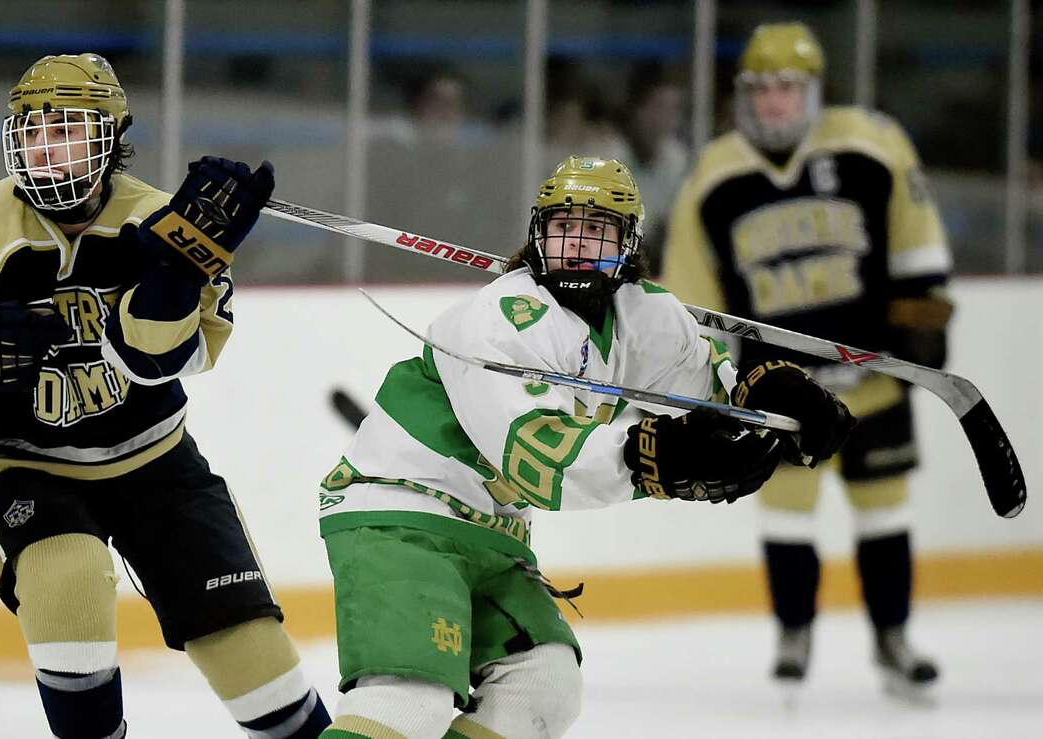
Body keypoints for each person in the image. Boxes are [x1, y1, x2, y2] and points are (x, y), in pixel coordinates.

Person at [0, 53, 331, 738]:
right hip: (23, 465)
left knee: (255, 661)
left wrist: (178, 269)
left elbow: (158, 357)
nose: (46, 151)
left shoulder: (160, 221)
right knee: (69, 576)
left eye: (67, 131)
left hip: (158, 466)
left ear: (111, 138)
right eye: (33, 133)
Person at [314, 156, 854, 738]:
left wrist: (775, 403)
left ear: (628, 244)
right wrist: (655, 459)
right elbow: (532, 457)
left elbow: (707, 390)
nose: (576, 246)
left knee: (540, 689)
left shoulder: (643, 314)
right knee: (408, 702)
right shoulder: (504, 315)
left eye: (596, 232)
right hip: (403, 515)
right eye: (562, 228)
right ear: (536, 235)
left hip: (492, 536)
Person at [662, 23, 952, 695]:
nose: (774, 104)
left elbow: (918, 247)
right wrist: (707, 380)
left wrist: (923, 329)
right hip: (781, 395)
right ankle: (794, 632)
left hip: (873, 382)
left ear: (814, 90)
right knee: (786, 512)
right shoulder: (716, 174)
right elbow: (690, 304)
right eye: (760, 90)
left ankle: (893, 638)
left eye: (788, 89)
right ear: (742, 95)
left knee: (885, 508)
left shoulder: (871, 145)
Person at [619, 63, 691, 271]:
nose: (665, 120)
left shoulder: (676, 158)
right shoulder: (609, 155)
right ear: (636, 109)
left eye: (673, 110)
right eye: (658, 107)